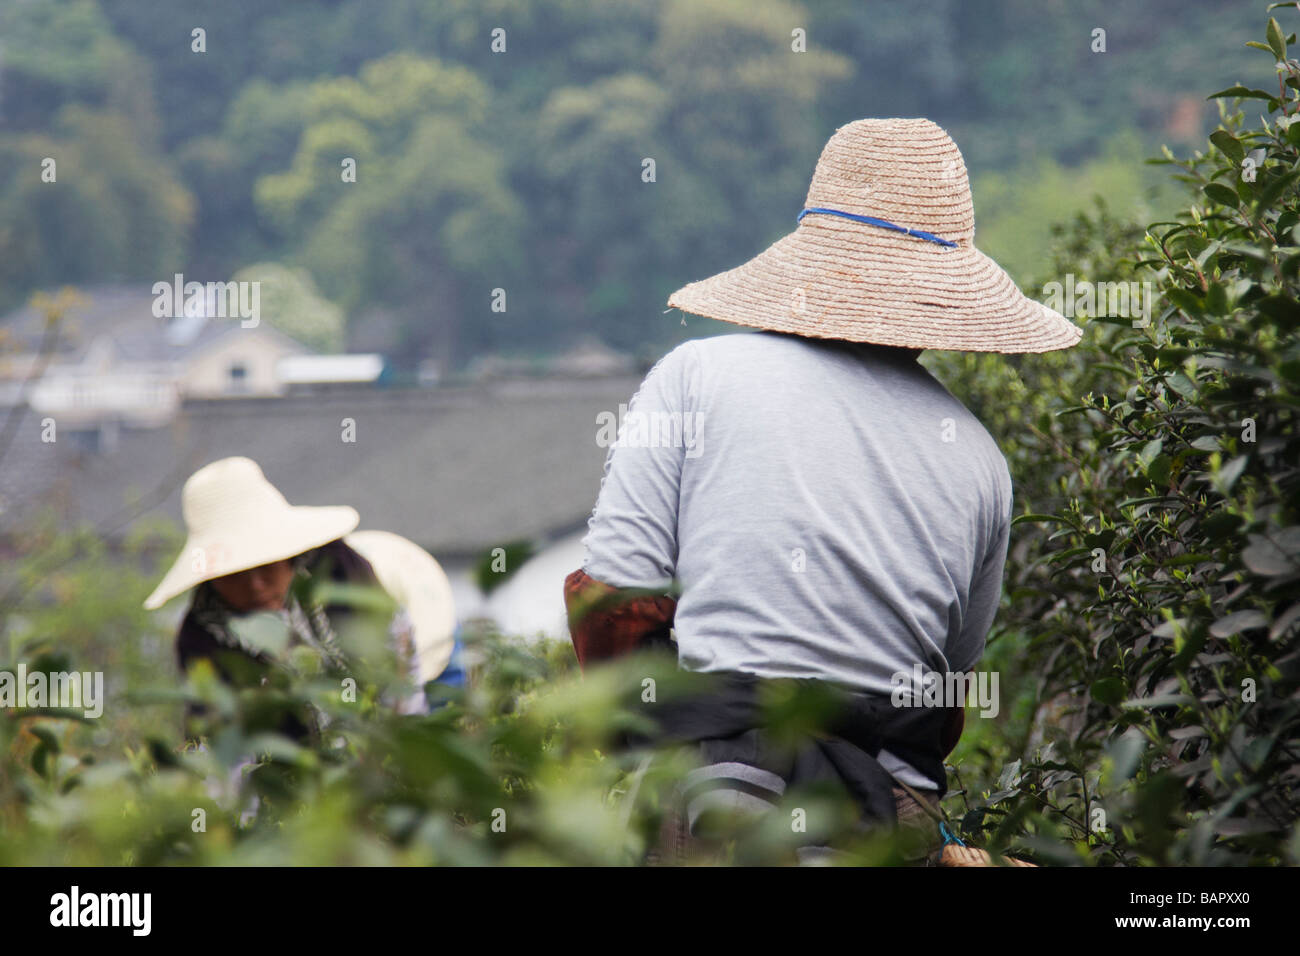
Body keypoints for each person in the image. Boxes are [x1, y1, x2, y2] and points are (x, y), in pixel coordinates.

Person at [564, 118, 1081, 863]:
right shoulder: (978, 459)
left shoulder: (700, 376)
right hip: (887, 819)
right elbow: (943, 705)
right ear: (945, 295)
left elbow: (611, 605)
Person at [143, 456, 463, 738]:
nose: (255, 585)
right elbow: (218, 739)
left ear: (287, 556)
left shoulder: (337, 567)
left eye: (265, 566)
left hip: (415, 652)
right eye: (236, 575)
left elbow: (393, 654)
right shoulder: (201, 639)